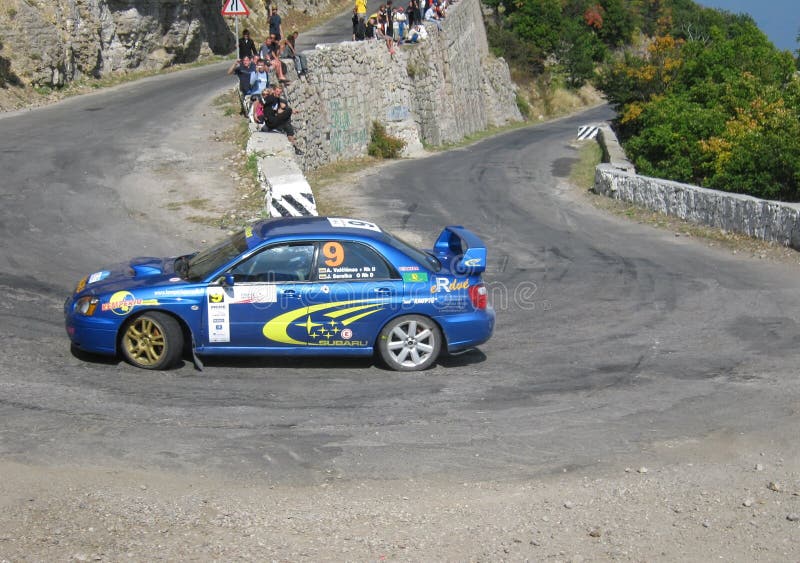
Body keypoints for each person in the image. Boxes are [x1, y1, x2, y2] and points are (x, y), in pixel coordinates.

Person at [259, 86, 303, 155]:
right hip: (270, 122)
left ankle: (295, 148)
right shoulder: (270, 98)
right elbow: (261, 101)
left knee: (287, 126)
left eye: (280, 93)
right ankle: (295, 148)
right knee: (288, 111)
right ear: (274, 91)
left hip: (274, 121)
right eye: (277, 92)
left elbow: (281, 108)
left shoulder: (277, 100)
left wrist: (290, 110)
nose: (278, 94)